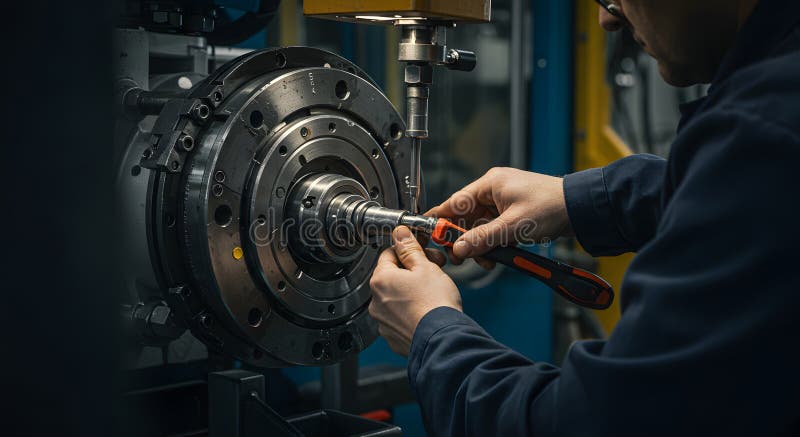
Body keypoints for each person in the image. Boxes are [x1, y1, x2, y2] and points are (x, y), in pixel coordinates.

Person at [367, 0, 800, 434]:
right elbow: (732, 196)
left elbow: (591, 422)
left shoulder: (764, 133)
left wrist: (433, 333)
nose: (608, 19)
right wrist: (581, 199)